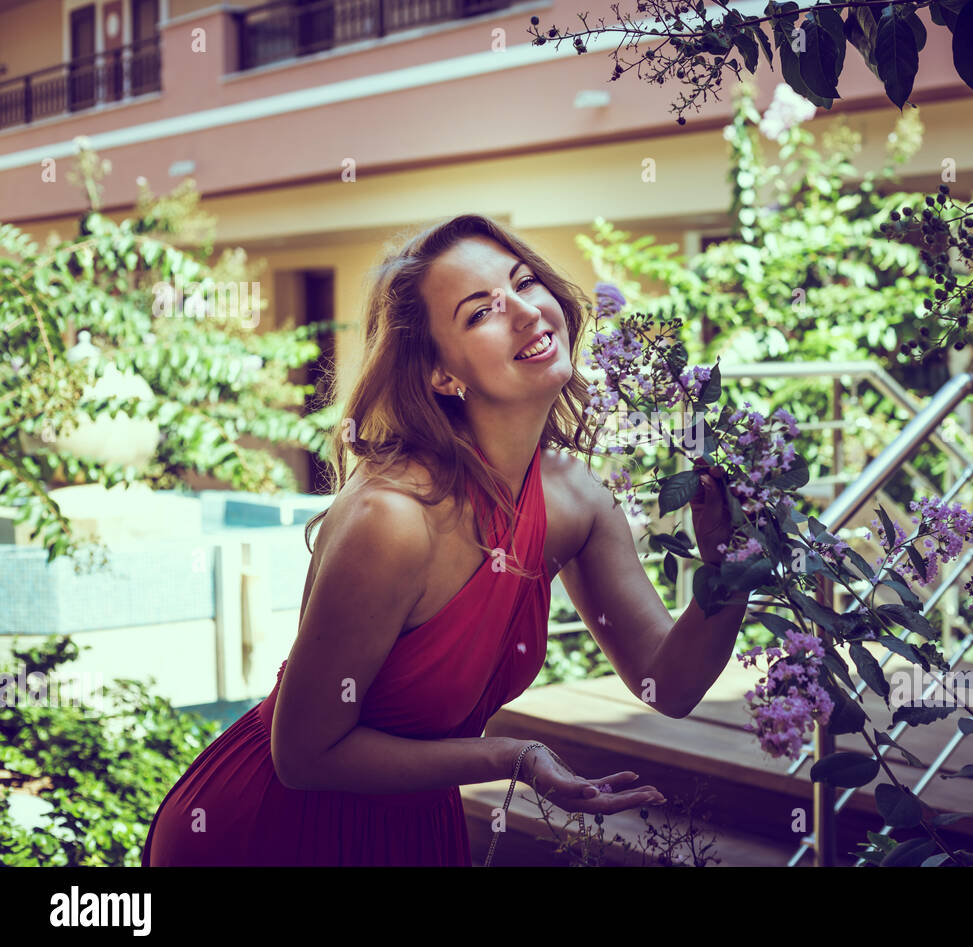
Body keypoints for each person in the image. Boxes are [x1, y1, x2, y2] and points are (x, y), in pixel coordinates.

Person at [142, 214, 750, 866]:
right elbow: (303, 756)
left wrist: (726, 567)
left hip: (416, 826)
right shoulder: (394, 518)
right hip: (269, 831)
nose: (523, 311)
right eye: (480, 311)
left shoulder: (575, 499)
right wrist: (511, 755)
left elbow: (670, 684)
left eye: (523, 282)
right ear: (441, 373)